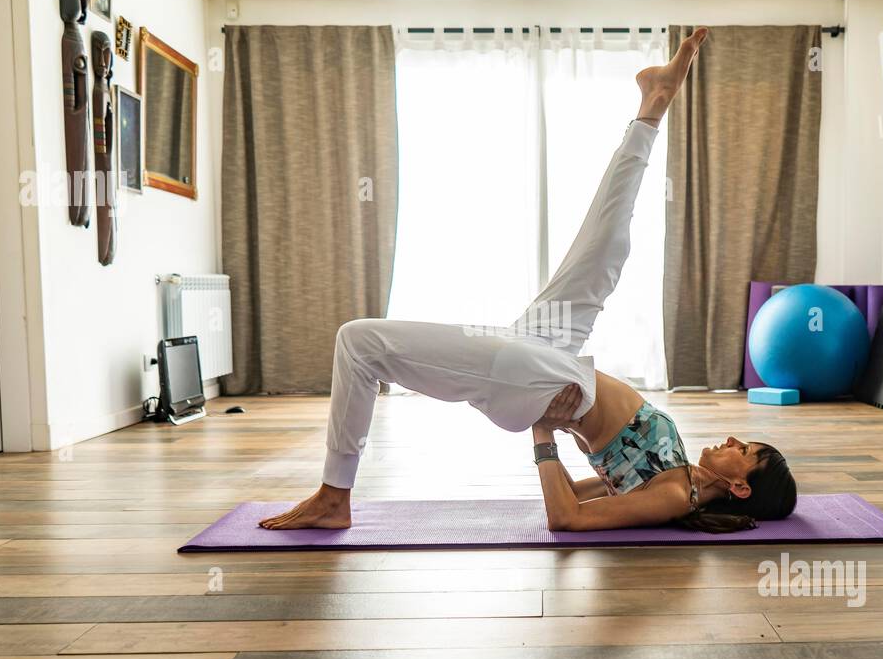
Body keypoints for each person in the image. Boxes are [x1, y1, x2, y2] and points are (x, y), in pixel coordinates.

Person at [261, 27, 797, 532]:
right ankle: (653, 106)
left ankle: (334, 494)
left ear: (740, 488)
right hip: (553, 355)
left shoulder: (676, 496)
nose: (734, 439)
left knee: (358, 341)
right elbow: (580, 493)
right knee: (606, 245)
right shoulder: (681, 473)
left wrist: (544, 429)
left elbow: (567, 518)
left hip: (536, 382)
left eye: (744, 451)